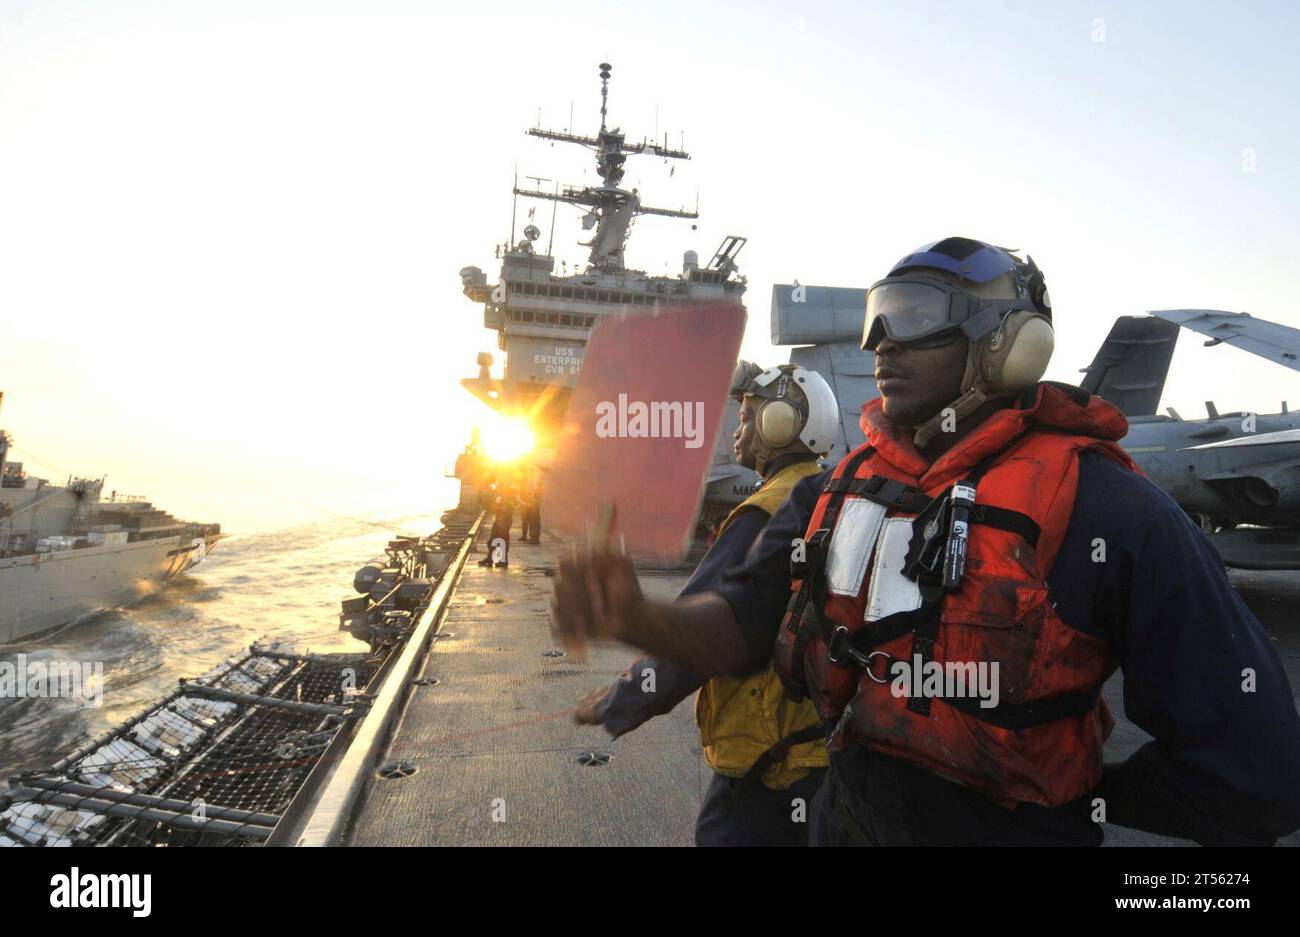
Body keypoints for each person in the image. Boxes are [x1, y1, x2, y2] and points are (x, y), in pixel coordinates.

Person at [552, 236, 1300, 846]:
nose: (880, 341)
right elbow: (741, 626)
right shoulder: (833, 490)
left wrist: (1080, 796)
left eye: (910, 316)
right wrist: (636, 615)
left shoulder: (1109, 509)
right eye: (877, 316)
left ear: (1007, 343)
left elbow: (1255, 773)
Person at [574, 361, 840, 846]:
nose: (737, 428)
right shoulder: (819, 494)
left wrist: (619, 701)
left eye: (746, 416)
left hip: (765, 760)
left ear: (776, 425)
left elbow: (702, 634)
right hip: (809, 751)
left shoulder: (765, 510)